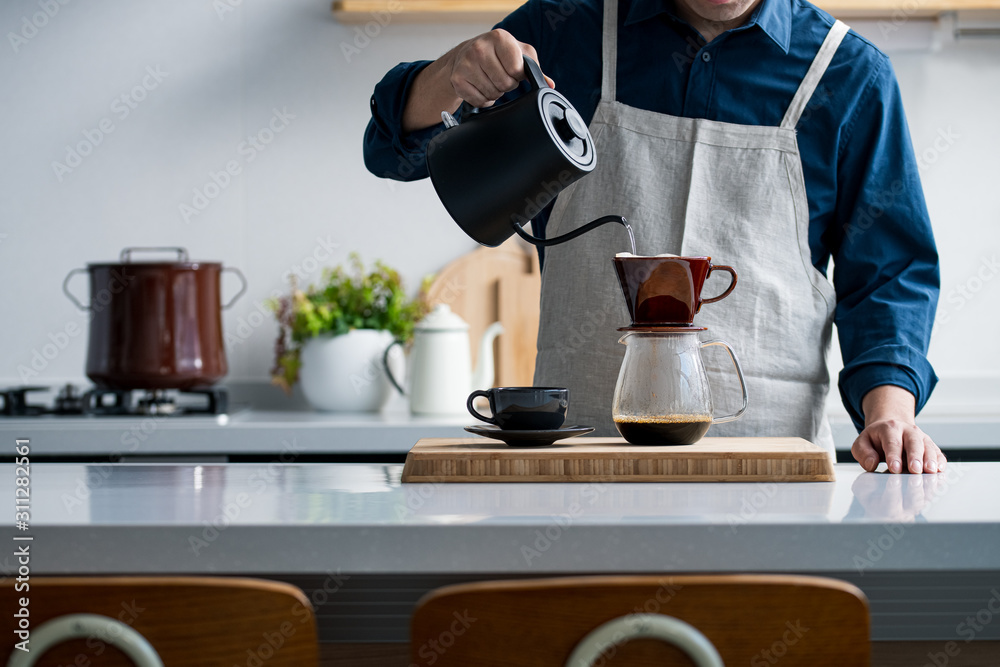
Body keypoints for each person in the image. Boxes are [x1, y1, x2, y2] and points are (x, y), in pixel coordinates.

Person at [363, 0, 945, 474]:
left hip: (770, 471)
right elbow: (393, 153)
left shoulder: (849, 77)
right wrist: (447, 77)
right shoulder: (566, 33)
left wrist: (888, 412)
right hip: (576, 474)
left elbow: (889, 272)